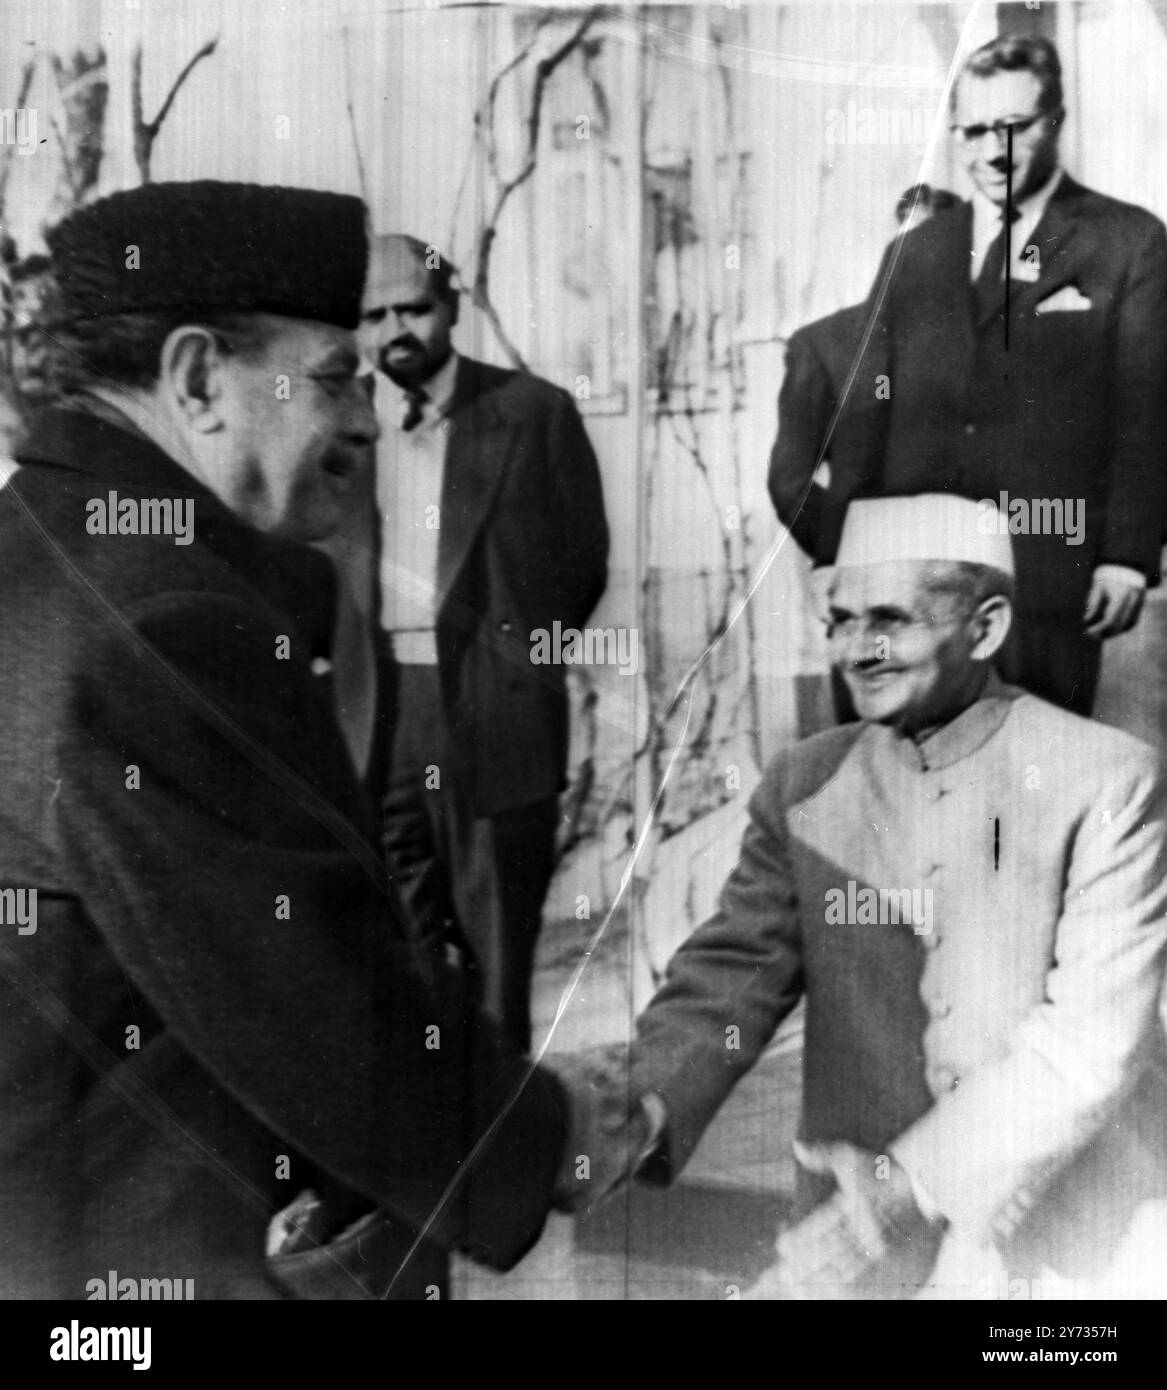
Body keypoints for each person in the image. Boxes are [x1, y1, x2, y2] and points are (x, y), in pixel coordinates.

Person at [0, 181, 590, 1300]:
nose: (367, 419)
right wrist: (553, 1138)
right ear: (195, 380)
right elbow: (310, 1008)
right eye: (331, 380)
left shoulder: (39, 551)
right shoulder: (166, 617)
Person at [605, 494, 1167, 1298]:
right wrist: (640, 1107)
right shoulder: (806, 784)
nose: (854, 650)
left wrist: (907, 1185)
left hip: (1070, 1237)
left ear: (986, 627)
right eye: (837, 621)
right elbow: (732, 977)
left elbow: (1089, 1041)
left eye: (888, 620)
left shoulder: (1106, 777)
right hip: (859, 1243)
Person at [355, 233, 609, 1051]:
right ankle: (419, 1154)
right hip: (378, 714)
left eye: (414, 307)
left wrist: (515, 667)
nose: (396, 327)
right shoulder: (340, 419)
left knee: (497, 960)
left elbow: (582, 562)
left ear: (452, 307)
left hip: (493, 716)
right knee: (392, 947)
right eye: (375, 313)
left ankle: (500, 1160)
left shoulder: (531, 413)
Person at [870, 34, 1167, 715]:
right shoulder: (912, 257)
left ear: (1055, 120)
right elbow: (873, 415)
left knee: (1038, 785)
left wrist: (1125, 555)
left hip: (1048, 580)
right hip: (925, 581)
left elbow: (1146, 414)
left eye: (1013, 128)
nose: (990, 151)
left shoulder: (1126, 243)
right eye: (973, 131)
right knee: (929, 790)